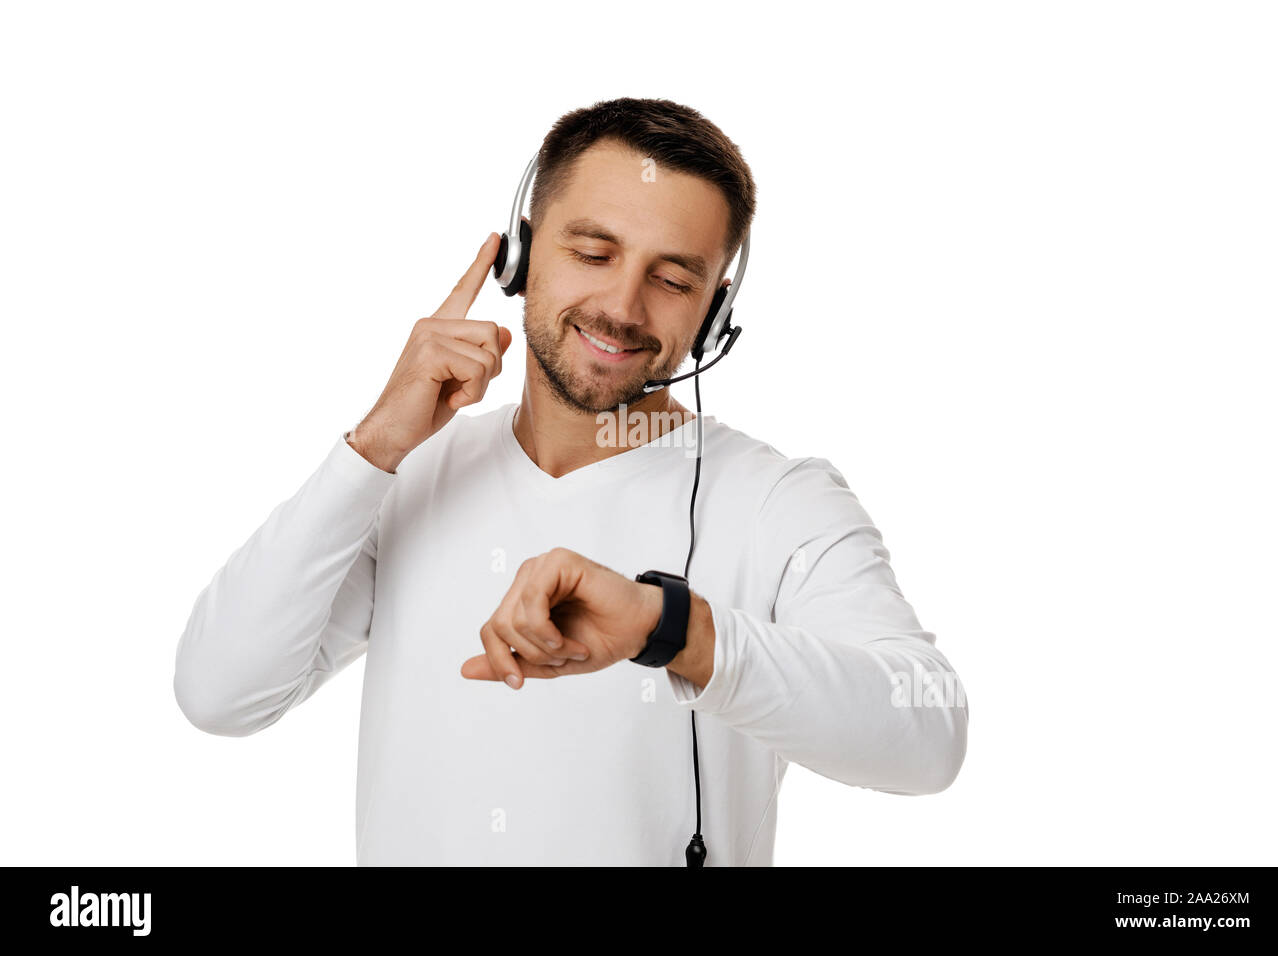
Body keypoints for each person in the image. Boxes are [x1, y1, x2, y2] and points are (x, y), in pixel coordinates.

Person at [173, 96, 969, 866]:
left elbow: (929, 737)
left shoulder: (781, 502)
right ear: (519, 255)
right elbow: (219, 694)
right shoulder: (408, 476)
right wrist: (376, 444)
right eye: (593, 254)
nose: (622, 306)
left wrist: (672, 629)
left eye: (674, 279)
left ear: (714, 314)